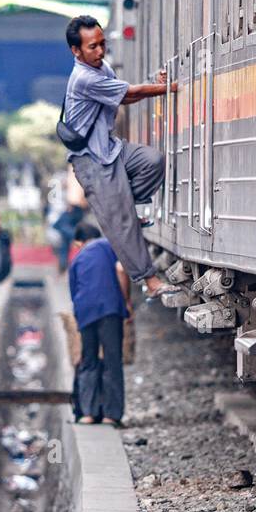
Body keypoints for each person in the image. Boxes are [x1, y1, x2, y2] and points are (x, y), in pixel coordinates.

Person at [63, 15, 176, 299]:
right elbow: (132, 92)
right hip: (92, 161)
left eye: (102, 44)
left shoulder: (101, 67)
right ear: (76, 51)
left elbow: (124, 96)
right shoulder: (84, 78)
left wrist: (155, 84)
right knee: (124, 224)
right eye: (93, 47)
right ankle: (149, 281)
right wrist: (167, 88)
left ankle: (123, 206)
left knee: (152, 161)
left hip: (112, 149)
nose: (100, 51)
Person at [68, 222, 129, 426]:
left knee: (89, 359)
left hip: (85, 311)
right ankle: (111, 415)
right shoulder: (109, 245)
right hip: (109, 309)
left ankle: (87, 413)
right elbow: (121, 270)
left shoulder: (76, 260)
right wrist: (126, 301)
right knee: (112, 360)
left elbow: (74, 292)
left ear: (78, 242)